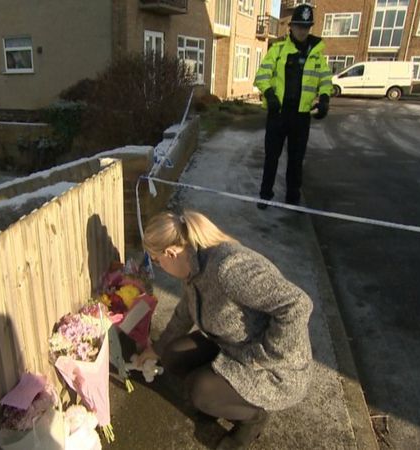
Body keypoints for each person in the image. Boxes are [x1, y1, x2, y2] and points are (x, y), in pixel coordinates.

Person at [135, 210, 313, 450]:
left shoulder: (227, 268)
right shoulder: (193, 263)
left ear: (170, 253)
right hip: (233, 346)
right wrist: (155, 349)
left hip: (275, 367)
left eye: (155, 261)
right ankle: (225, 399)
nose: (158, 267)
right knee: (172, 355)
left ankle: (254, 418)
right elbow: (185, 312)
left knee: (200, 391)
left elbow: (297, 305)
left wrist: (264, 356)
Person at [253, 4, 332, 207]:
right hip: (278, 114)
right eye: (298, 26)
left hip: (301, 115)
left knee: (296, 160)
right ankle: (265, 195)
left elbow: (325, 79)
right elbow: (262, 75)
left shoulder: (316, 54)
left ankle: (292, 198)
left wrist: (324, 99)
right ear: (291, 27)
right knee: (271, 157)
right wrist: (269, 94)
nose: (302, 30)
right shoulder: (278, 50)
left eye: (306, 27)